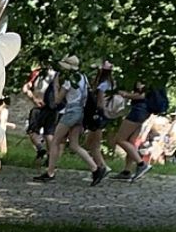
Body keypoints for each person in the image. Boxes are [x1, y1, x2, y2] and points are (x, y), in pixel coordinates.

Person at [34, 55, 90, 183]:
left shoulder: (69, 81)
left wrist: (55, 86)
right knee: (74, 144)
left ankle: (50, 172)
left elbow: (57, 100)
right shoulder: (83, 78)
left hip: (70, 112)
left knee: (55, 142)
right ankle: (96, 168)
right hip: (81, 111)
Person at [79, 61, 115, 185]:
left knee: (93, 145)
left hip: (98, 116)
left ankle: (102, 167)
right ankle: (100, 167)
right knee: (92, 144)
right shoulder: (111, 84)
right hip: (105, 116)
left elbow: (99, 103)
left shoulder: (102, 86)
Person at [112, 81, 152, 180]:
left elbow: (141, 96)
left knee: (120, 139)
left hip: (137, 112)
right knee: (130, 142)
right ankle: (127, 171)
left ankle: (141, 164)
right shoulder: (151, 80)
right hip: (143, 113)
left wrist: (125, 94)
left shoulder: (144, 81)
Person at [21, 59, 58, 163]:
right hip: (52, 108)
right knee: (49, 133)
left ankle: (40, 149)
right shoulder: (58, 75)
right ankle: (51, 160)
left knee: (32, 130)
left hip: (38, 108)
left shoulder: (37, 73)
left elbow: (25, 89)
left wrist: (34, 99)